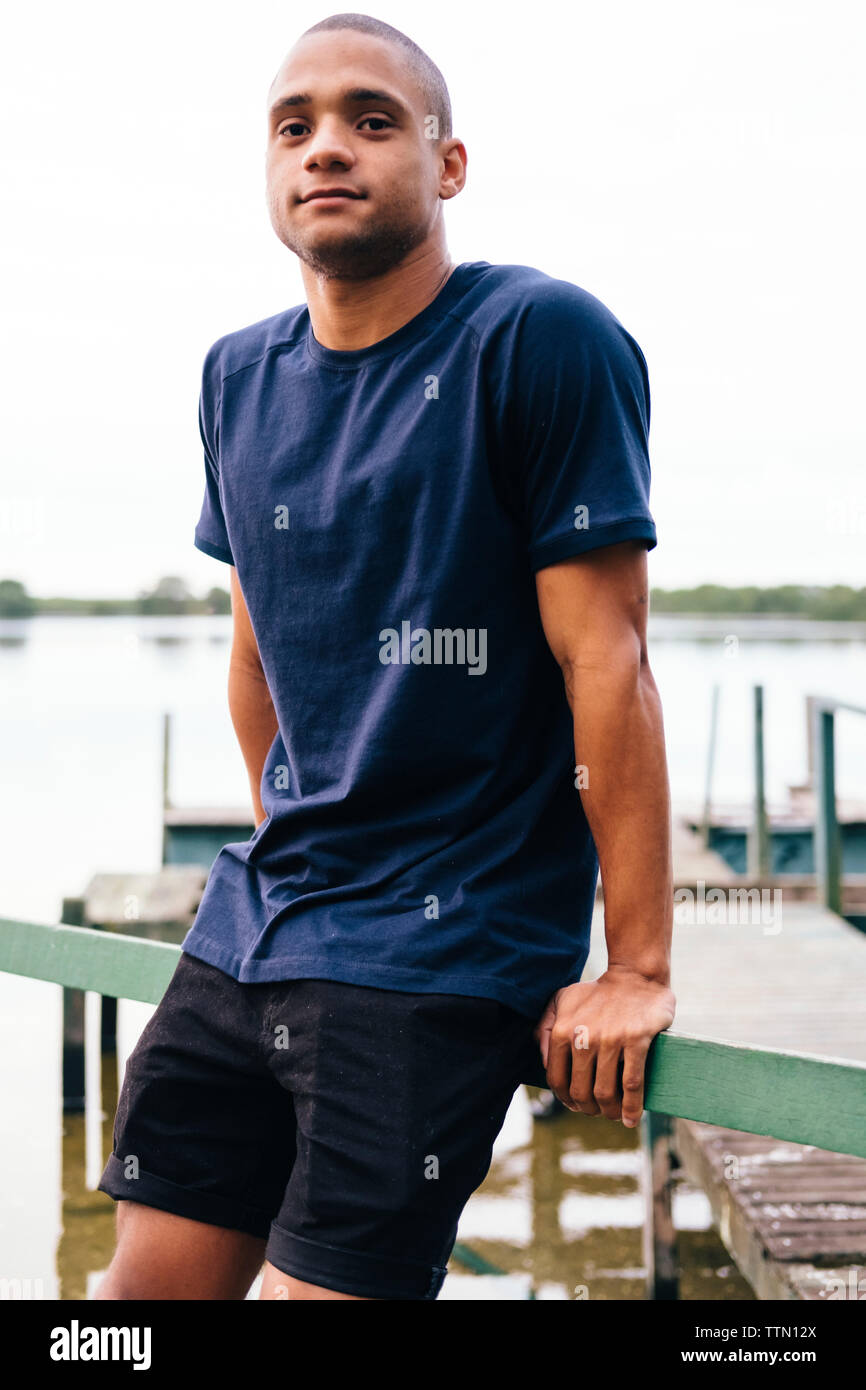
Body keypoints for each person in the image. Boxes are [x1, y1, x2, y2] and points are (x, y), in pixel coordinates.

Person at [95, 11, 676, 1302]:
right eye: (291, 126)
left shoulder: (536, 336)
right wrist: (300, 833)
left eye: (370, 119)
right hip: (250, 927)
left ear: (446, 162)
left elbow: (608, 662)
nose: (324, 148)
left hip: (436, 954)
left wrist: (632, 965)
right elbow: (259, 653)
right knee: (127, 1313)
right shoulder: (237, 373)